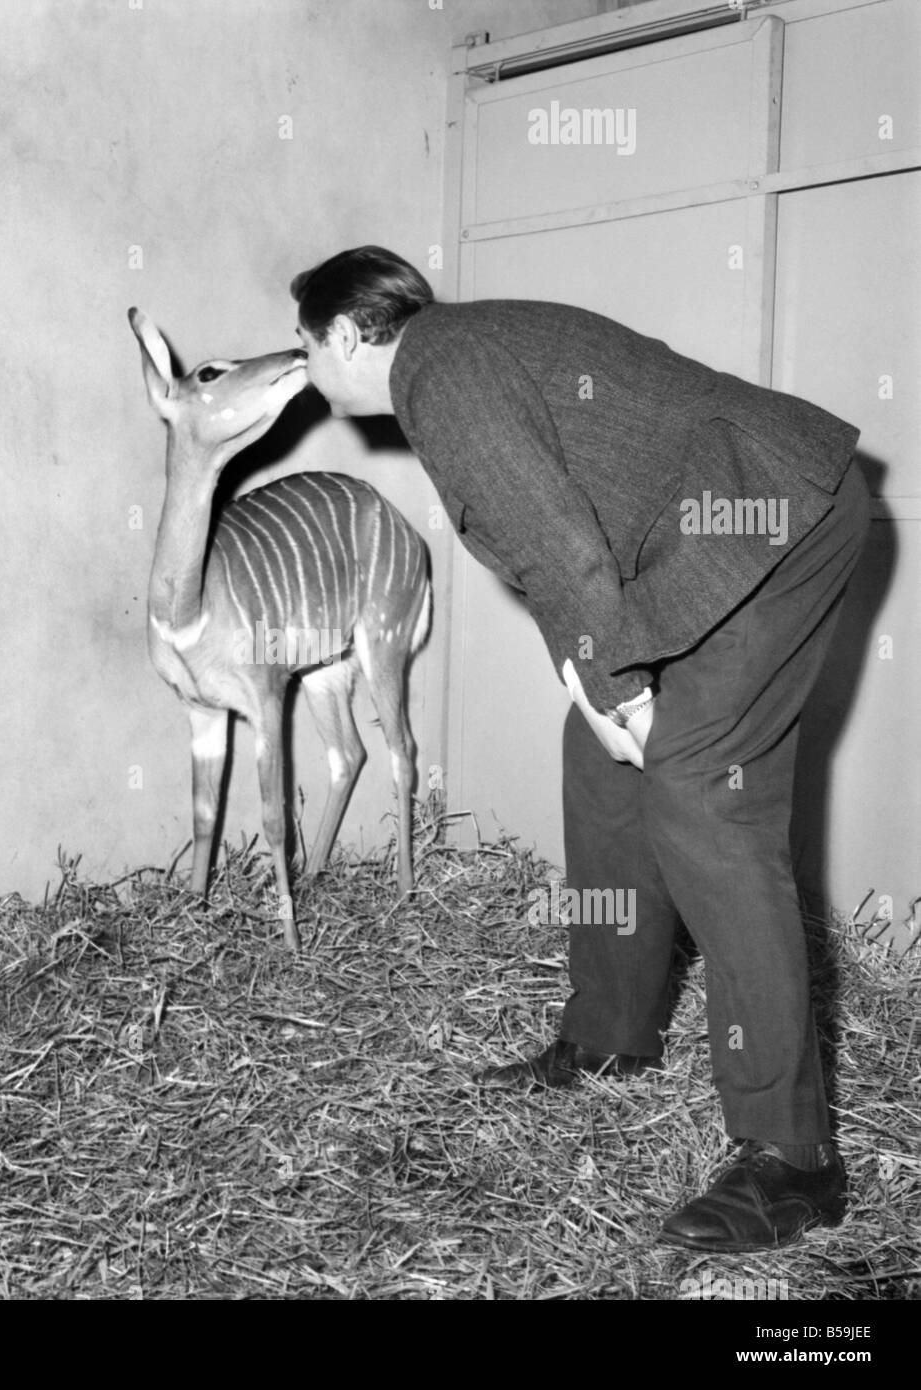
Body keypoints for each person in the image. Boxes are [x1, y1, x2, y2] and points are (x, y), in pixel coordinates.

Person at [289, 245, 870, 1253]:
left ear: (345, 335)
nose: (305, 372)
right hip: (714, 528)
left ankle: (792, 1164)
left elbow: (560, 548)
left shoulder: (439, 372)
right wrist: (602, 693)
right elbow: (562, 547)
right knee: (598, 753)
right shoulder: (458, 351)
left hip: (772, 514)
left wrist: (620, 684)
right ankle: (610, 1035)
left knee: (700, 794)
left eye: (304, 349)